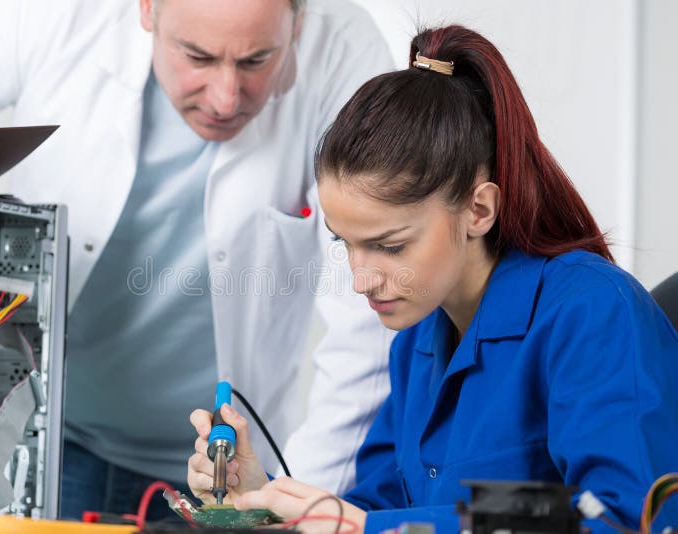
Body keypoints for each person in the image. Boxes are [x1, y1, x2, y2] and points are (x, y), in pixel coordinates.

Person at [0, 0, 395, 520]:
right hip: (55, 442)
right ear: (147, 9)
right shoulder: (62, 15)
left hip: (227, 469)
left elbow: (369, 328)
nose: (224, 97)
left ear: (298, 22)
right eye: (197, 56)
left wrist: (296, 504)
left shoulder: (343, 53)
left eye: (256, 62)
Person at [187, 24, 678, 533]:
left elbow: (632, 519)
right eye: (344, 243)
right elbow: (371, 509)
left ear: (478, 209)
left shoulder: (593, 314)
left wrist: (362, 527)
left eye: (390, 246)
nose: (362, 280)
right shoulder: (418, 341)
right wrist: (261, 500)